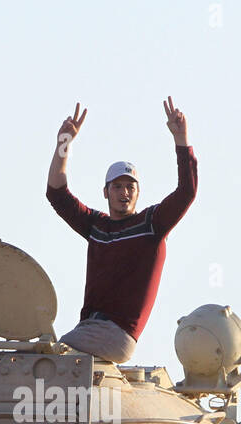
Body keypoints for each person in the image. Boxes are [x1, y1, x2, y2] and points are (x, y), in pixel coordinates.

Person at [46, 97, 197, 364]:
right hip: (88, 329)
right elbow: (57, 194)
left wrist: (181, 140)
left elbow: (186, 192)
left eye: (130, 187)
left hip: (115, 334)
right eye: (117, 186)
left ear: (138, 193)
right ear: (106, 192)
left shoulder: (151, 225)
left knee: (49, 358)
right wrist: (64, 144)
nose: (124, 192)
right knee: (39, 354)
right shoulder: (97, 226)